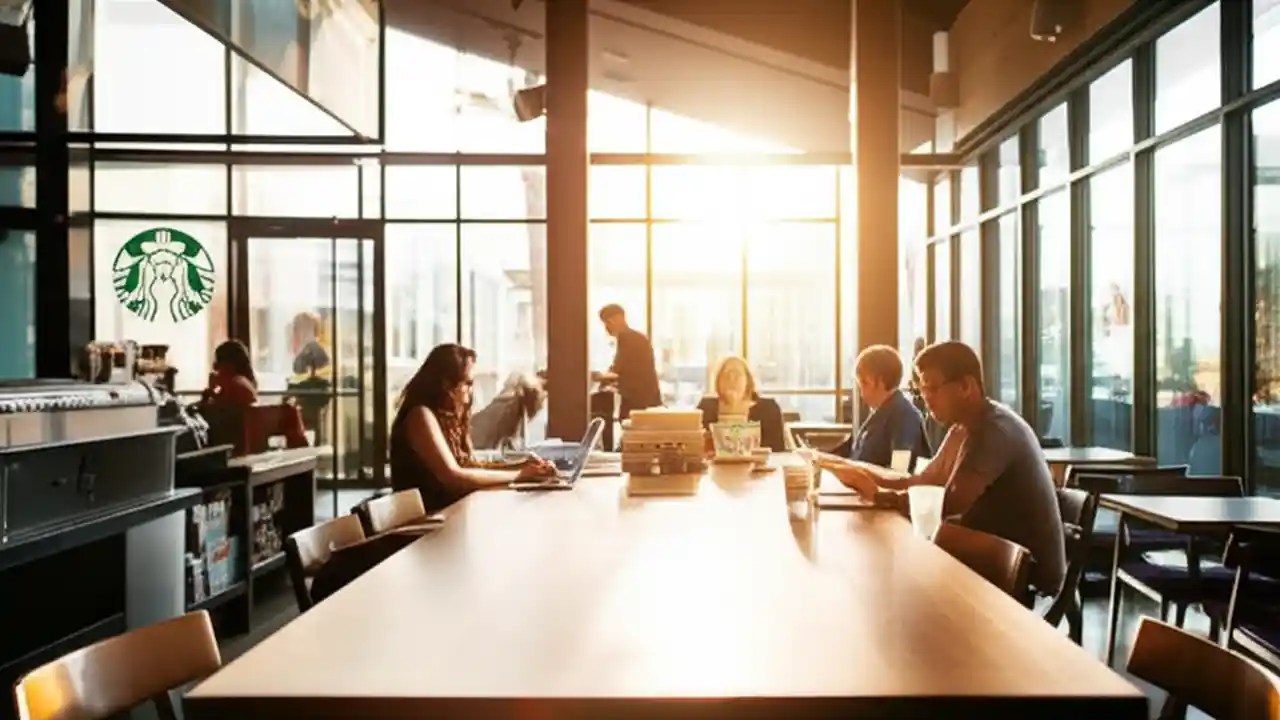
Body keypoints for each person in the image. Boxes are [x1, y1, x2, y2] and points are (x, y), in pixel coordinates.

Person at [817, 341, 1066, 596]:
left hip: (1022, 575)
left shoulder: (992, 431)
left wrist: (879, 494)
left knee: (889, 582)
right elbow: (922, 481)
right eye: (922, 389)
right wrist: (852, 471)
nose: (926, 399)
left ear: (966, 386)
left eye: (933, 388)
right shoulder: (963, 426)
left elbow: (948, 504)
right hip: (987, 557)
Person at [389, 343, 556, 512]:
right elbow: (453, 477)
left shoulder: (449, 419)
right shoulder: (420, 416)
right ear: (447, 385)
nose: (471, 392)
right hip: (429, 526)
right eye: (468, 383)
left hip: (449, 516)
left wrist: (523, 467)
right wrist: (520, 475)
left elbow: (470, 467)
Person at [833, 345, 930, 471]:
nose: (861, 391)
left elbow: (899, 471)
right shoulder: (878, 412)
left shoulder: (904, 417)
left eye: (864, 383)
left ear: (881, 382)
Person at [696, 355, 787, 451]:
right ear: (718, 381)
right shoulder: (706, 407)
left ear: (747, 380)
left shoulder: (769, 408)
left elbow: (777, 451)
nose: (731, 379)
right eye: (726, 375)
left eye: (737, 374)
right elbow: (699, 449)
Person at [594, 304, 662, 419]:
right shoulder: (635, 337)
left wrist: (600, 377)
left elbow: (620, 369)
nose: (607, 328)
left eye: (608, 322)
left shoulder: (627, 339)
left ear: (618, 319)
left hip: (639, 399)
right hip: (643, 397)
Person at [202, 340, 259, 407]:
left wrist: (211, 391)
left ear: (229, 365)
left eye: (218, 361)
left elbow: (221, 410)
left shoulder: (236, 383)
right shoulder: (241, 382)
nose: (215, 368)